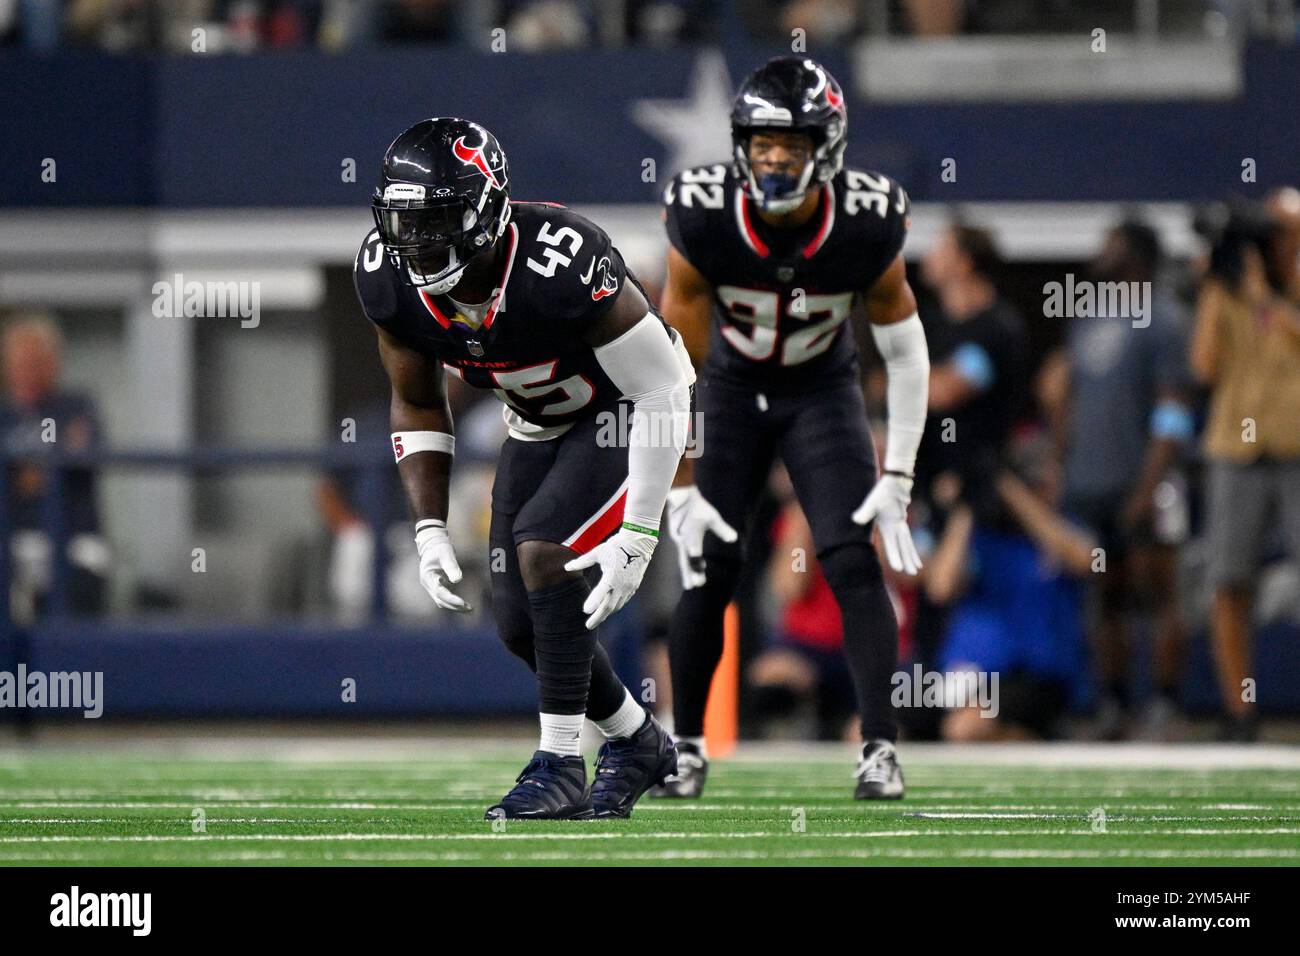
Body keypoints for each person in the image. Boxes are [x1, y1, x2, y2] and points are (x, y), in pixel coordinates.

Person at [354, 118, 693, 818]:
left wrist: (640, 533)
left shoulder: (561, 260)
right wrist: (427, 526)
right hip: (535, 426)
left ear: (485, 208)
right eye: (403, 222)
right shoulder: (388, 277)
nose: (415, 241)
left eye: (436, 219)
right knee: (518, 624)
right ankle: (636, 741)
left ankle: (561, 761)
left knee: (544, 553)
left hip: (626, 410)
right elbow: (417, 402)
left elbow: (662, 388)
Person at [653, 57, 929, 801]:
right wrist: (681, 480)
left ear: (828, 150)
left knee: (850, 559)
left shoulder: (867, 220)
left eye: (793, 147)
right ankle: (685, 745)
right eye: (762, 146)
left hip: (821, 388)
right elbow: (674, 358)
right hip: (732, 388)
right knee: (709, 566)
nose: (774, 162)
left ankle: (878, 748)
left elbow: (906, 350)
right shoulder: (704, 212)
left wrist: (898, 473)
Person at [1038, 221, 1194, 740]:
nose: (1100, 253)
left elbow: (1174, 409)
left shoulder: (1165, 319)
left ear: (1135, 255)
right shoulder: (1085, 317)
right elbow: (1070, 403)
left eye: (1112, 245)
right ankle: (1114, 705)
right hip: (1093, 483)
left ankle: (1167, 705)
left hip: (1147, 485)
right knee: (1105, 597)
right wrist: (1060, 468)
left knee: (1158, 593)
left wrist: (1149, 488)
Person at [1190, 189, 1300, 742]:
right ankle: (1241, 710)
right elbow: (1204, 366)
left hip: (1296, 444)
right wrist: (1218, 284)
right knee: (1229, 581)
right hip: (1236, 445)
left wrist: (1265, 297)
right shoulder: (1230, 285)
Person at [0, 314, 109, 619]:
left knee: (77, 596)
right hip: (12, 541)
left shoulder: (76, 406)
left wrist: (28, 470)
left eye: (34, 362)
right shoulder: (4, 416)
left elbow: (83, 456)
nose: (26, 372)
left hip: (74, 545)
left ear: (52, 364)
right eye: (18, 363)